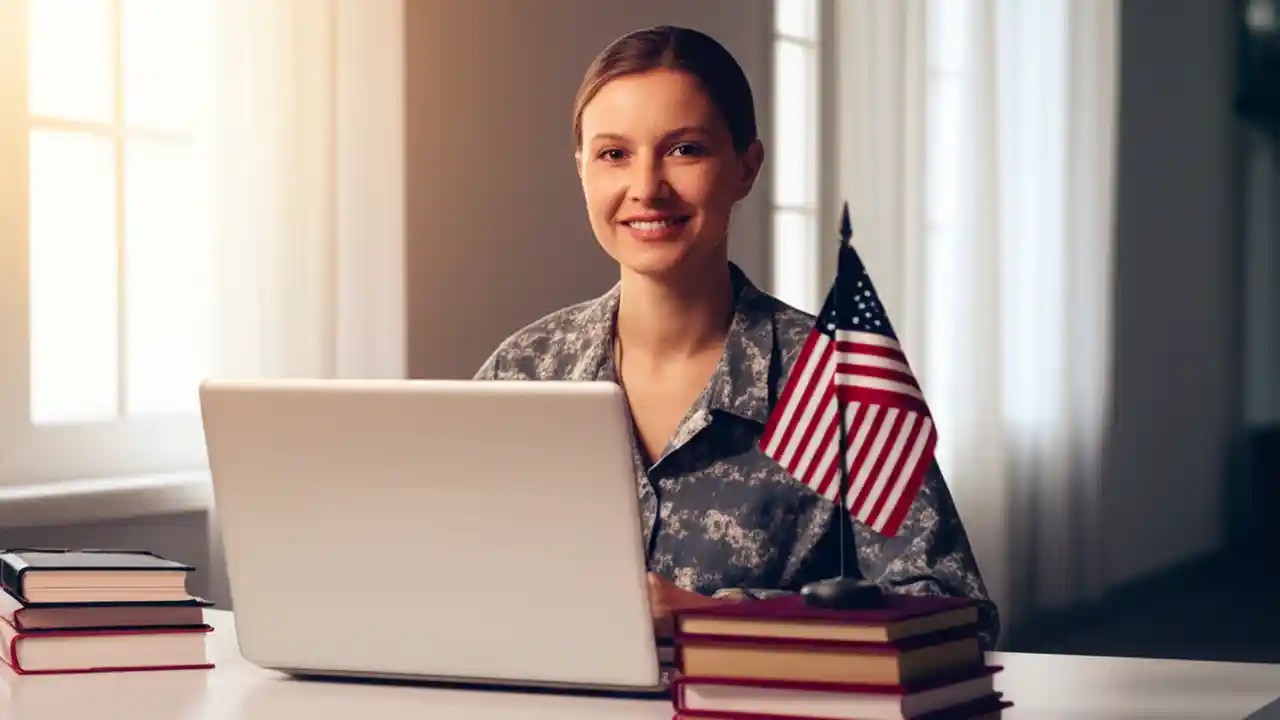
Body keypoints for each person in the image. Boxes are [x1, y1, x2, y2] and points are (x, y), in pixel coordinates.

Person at [474, 25, 999, 650]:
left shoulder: (837, 376)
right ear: (582, 169)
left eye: (685, 149)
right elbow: (450, 577)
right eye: (614, 154)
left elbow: (954, 613)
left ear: (746, 168)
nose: (647, 187)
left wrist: (713, 617)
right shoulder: (525, 371)